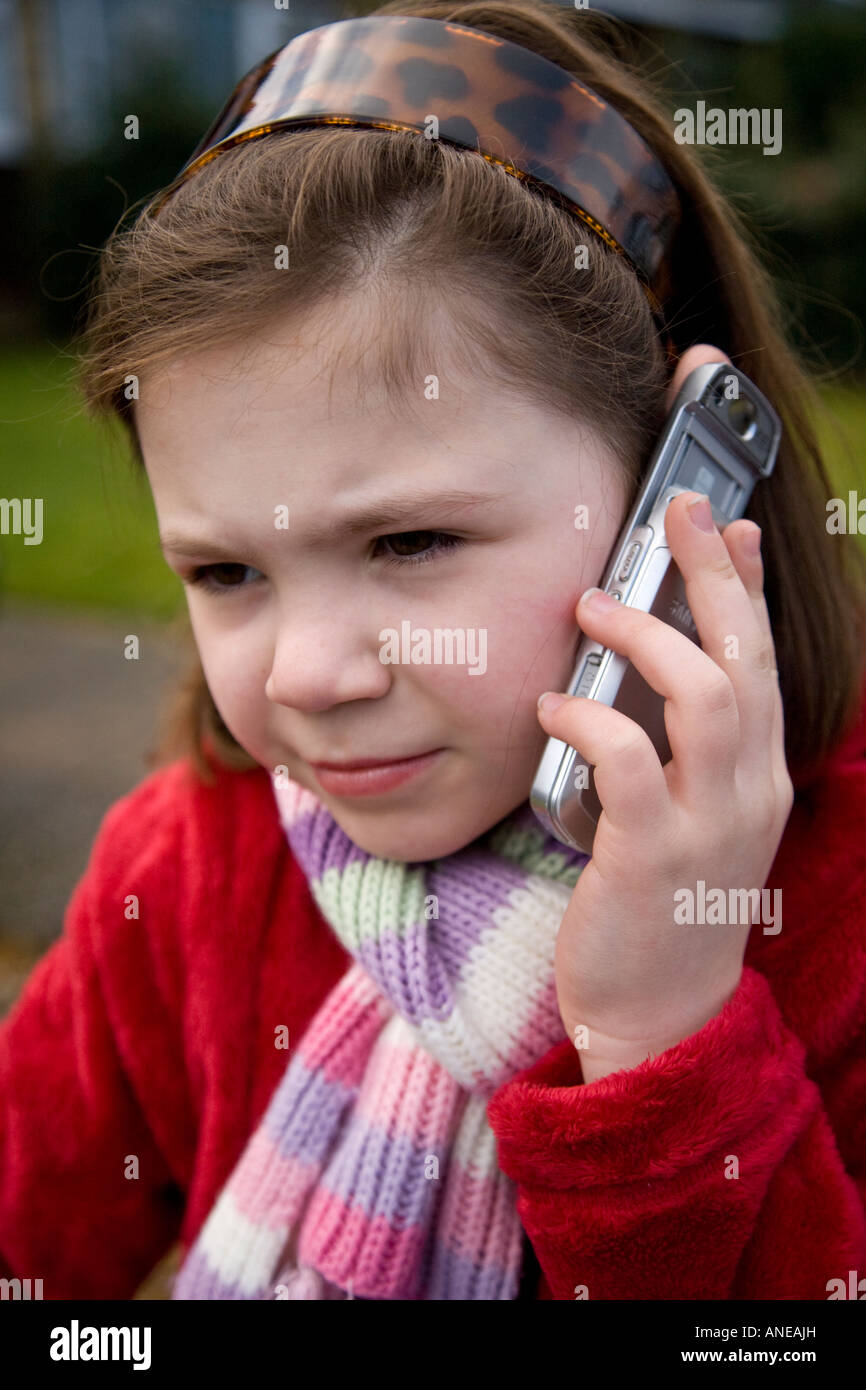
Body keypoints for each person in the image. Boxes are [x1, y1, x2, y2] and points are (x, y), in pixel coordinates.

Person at [2, 0, 865, 1301]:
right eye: (225, 571)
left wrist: (660, 1040)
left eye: (407, 543)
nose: (302, 675)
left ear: (667, 496)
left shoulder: (833, 901)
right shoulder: (190, 861)